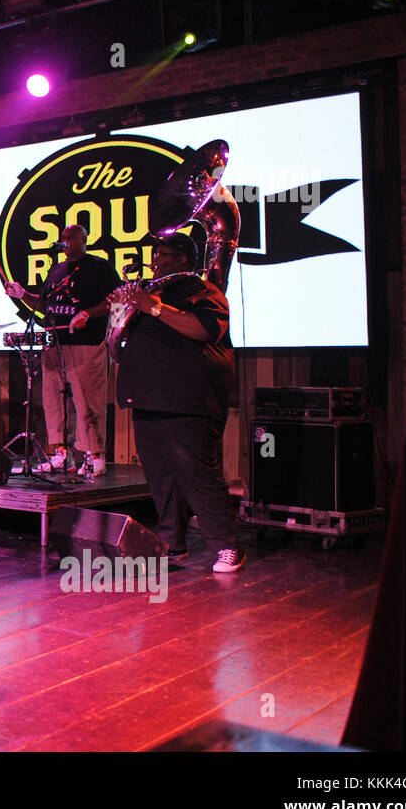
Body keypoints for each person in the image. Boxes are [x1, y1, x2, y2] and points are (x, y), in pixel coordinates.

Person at [116, 232, 245, 573]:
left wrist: (153, 307)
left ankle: (227, 546)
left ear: (185, 259)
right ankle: (172, 544)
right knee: (161, 478)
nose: (157, 260)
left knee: (199, 475)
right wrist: (122, 312)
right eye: (156, 254)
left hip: (189, 399)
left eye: (165, 255)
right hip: (147, 396)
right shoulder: (152, 294)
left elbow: (204, 330)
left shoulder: (206, 292)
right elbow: (120, 345)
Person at [4, 223, 120, 476]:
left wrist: (88, 312)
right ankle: (61, 455)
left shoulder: (99, 267)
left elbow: (116, 299)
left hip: (87, 343)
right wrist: (22, 294)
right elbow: (45, 305)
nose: (65, 241)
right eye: (63, 237)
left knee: (88, 401)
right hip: (55, 344)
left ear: (84, 240)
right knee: (55, 401)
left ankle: (94, 456)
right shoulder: (56, 270)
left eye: (71, 237)